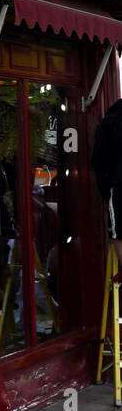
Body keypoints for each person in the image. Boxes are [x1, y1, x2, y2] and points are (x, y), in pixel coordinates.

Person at [91, 98, 122, 280]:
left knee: (119, 232)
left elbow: (99, 162)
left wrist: (106, 192)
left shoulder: (111, 121)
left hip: (119, 183)